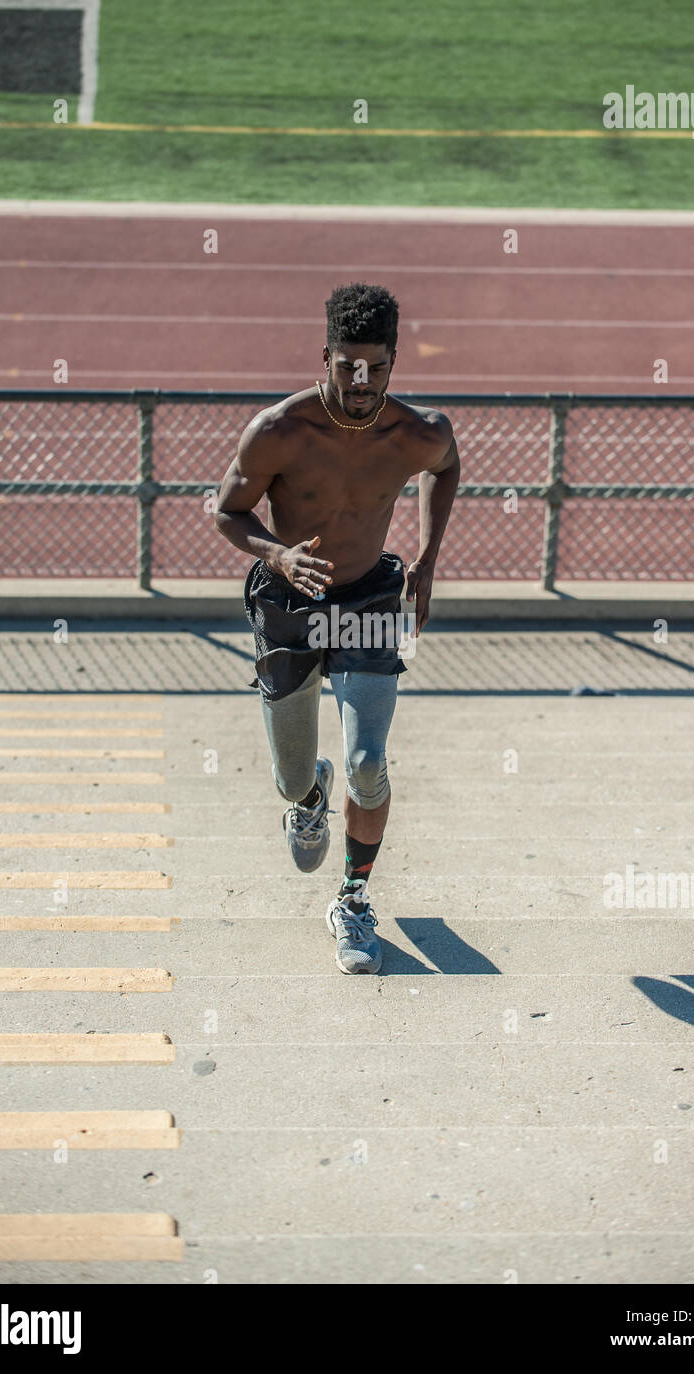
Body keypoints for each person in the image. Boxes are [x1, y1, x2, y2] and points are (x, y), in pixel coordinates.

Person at [215, 283, 460, 973]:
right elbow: (226, 511)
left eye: (375, 367)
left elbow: (445, 469)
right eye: (347, 364)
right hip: (288, 605)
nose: (360, 381)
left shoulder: (419, 431)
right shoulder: (278, 430)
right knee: (291, 779)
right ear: (325, 356)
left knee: (369, 763)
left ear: (392, 363)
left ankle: (351, 901)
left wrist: (427, 559)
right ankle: (309, 796)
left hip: (369, 600)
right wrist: (277, 553)